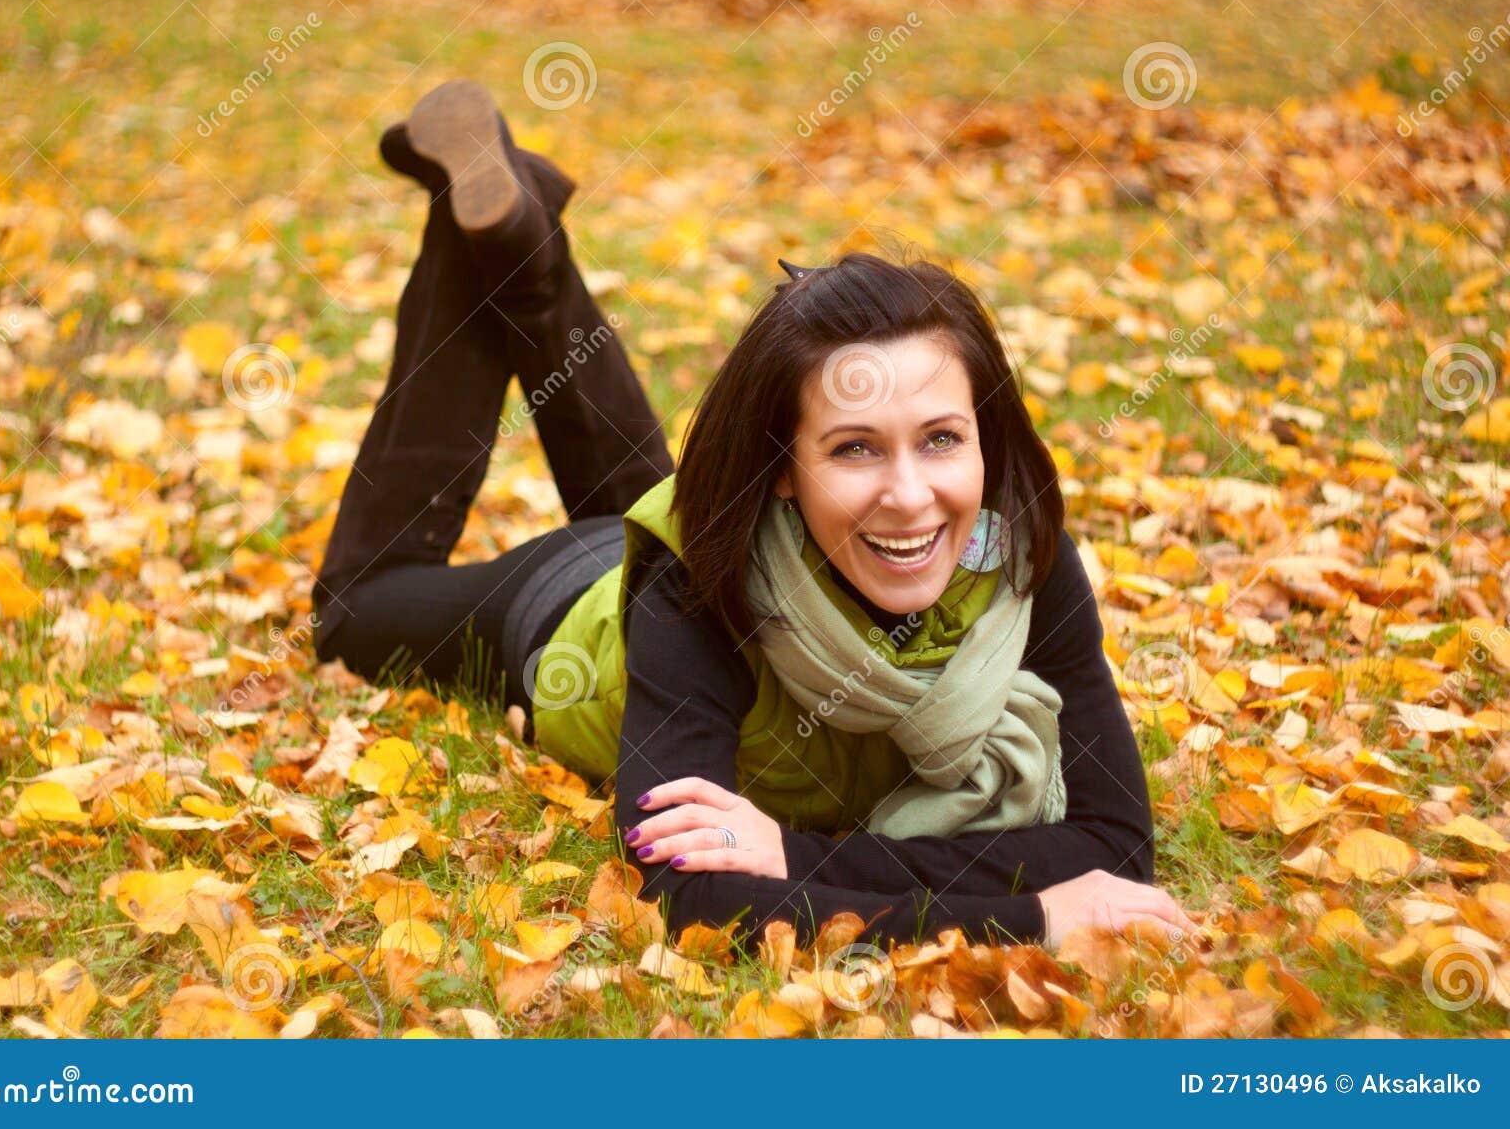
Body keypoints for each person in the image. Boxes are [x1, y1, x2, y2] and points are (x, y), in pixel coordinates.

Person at [312, 79, 1196, 957]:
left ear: (985, 441)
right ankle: (478, 239)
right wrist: (1032, 913)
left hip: (722, 532)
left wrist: (790, 854)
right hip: (571, 603)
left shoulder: (1023, 555)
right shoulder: (692, 589)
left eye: (940, 439)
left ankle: (522, 247)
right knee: (353, 609)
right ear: (780, 470)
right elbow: (688, 893)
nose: (910, 494)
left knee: (667, 503)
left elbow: (1113, 847)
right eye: (855, 448)